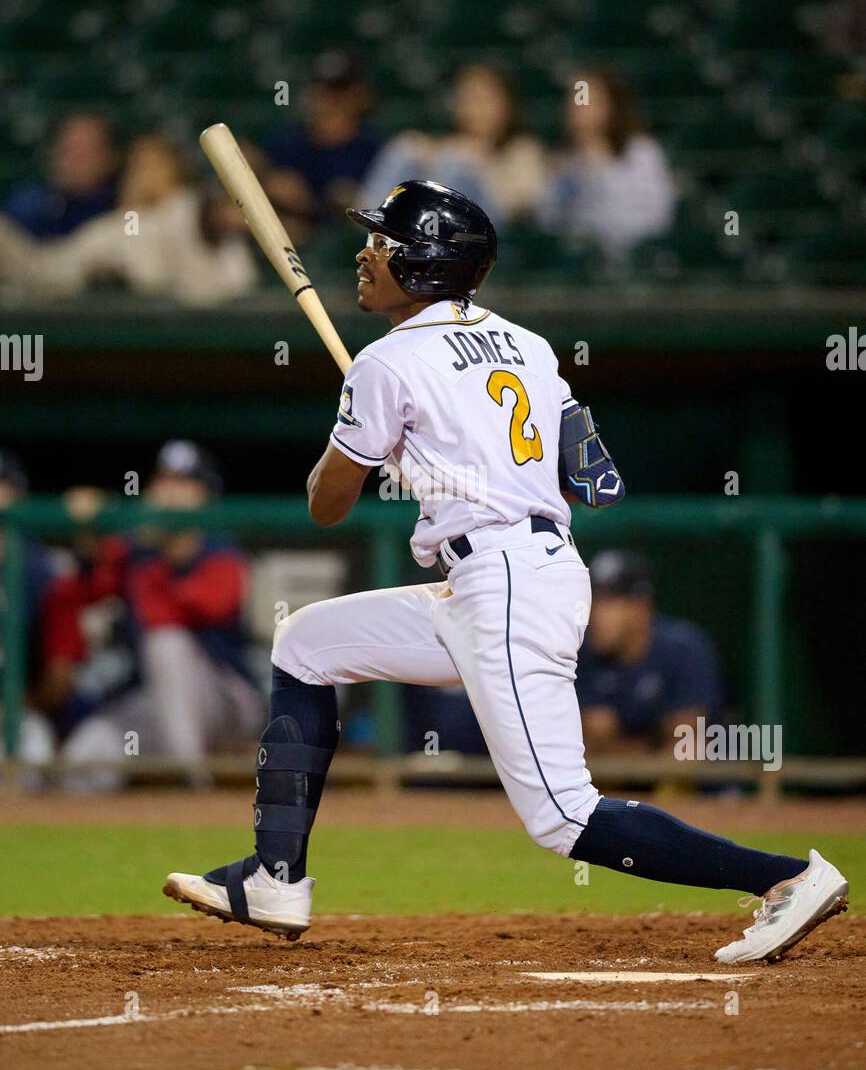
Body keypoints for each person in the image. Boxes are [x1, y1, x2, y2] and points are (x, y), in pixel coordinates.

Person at [165, 181, 848, 965]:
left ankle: (788, 879)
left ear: (422, 263)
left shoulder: (386, 364)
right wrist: (435, 440)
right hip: (508, 571)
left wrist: (360, 427)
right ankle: (277, 876)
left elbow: (327, 505)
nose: (364, 253)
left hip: (506, 581)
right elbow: (596, 480)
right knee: (305, 645)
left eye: (382, 242)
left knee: (563, 817)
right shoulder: (528, 345)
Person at [48, 442, 263, 789]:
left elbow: (183, 613)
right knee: (86, 755)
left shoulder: (222, 553)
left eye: (185, 482)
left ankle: (191, 785)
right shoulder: (133, 549)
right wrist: (92, 539)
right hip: (159, 707)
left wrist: (149, 552)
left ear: (206, 497)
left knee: (166, 645)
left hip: (226, 703)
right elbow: (74, 596)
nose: (170, 492)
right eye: (164, 480)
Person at [0, 134, 257, 306]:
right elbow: (66, 260)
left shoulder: (191, 207)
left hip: (176, 306)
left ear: (176, 169)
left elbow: (229, 252)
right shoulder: (124, 219)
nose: (144, 175)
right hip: (59, 272)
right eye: (138, 166)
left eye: (154, 165)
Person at [363, 62, 545, 228]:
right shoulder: (450, 147)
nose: (474, 109)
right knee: (408, 145)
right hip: (430, 224)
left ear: (507, 105)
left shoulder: (523, 149)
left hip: (489, 238)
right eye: (466, 99)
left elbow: (520, 207)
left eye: (483, 99)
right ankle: (371, 217)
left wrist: (480, 165)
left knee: (455, 162)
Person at [577, 549, 723, 756]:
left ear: (641, 607)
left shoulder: (683, 649)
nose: (595, 614)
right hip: (612, 783)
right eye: (592, 601)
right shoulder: (583, 654)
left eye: (608, 603)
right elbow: (590, 745)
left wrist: (620, 746)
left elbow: (685, 746)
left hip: (696, 785)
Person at [538, 70, 676, 257]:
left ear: (611, 106)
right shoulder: (563, 162)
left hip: (635, 260)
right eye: (574, 101)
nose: (578, 108)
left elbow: (657, 218)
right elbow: (548, 221)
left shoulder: (642, 153)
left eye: (587, 100)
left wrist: (601, 169)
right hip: (578, 265)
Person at [264, 50, 381, 235]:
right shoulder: (289, 143)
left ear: (359, 95)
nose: (329, 100)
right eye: (322, 91)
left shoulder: (373, 147)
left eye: (339, 92)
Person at [0, 451, 57, 769]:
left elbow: (59, 676)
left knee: (33, 755)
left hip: (24, 714)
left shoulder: (42, 571)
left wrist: (14, 707)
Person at [3, 112, 118, 239]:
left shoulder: (123, 205)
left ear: (109, 158)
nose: (74, 161)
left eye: (85, 153)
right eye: (68, 150)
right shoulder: (32, 201)